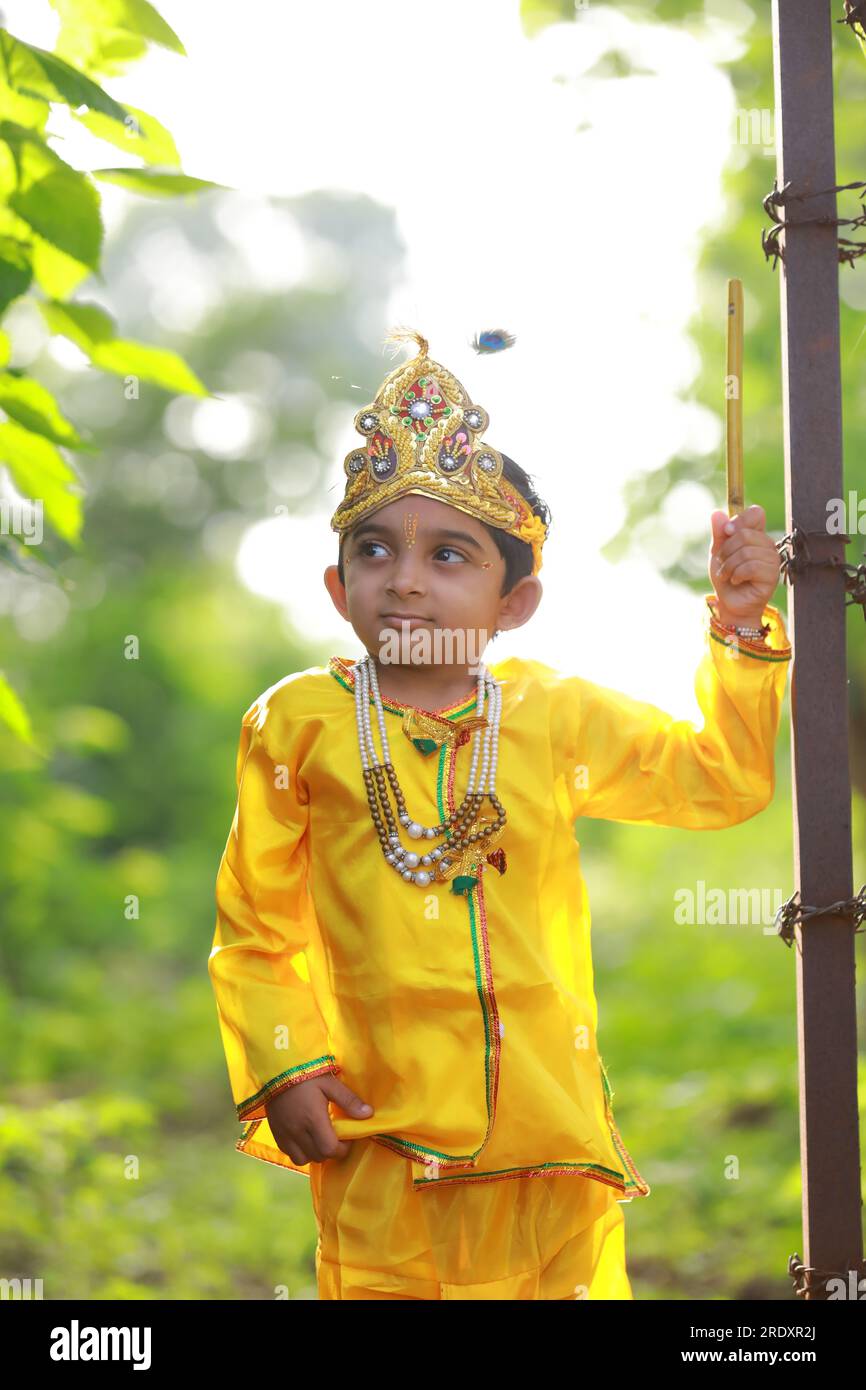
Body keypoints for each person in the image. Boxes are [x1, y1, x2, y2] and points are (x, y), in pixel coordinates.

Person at [208, 329, 793, 1300]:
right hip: (379, 1128)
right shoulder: (296, 722)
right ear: (335, 584)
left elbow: (715, 779)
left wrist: (734, 628)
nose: (404, 577)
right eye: (374, 549)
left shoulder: (549, 713)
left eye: (448, 555)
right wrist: (284, 1066)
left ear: (513, 601)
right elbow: (253, 926)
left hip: (542, 1137)